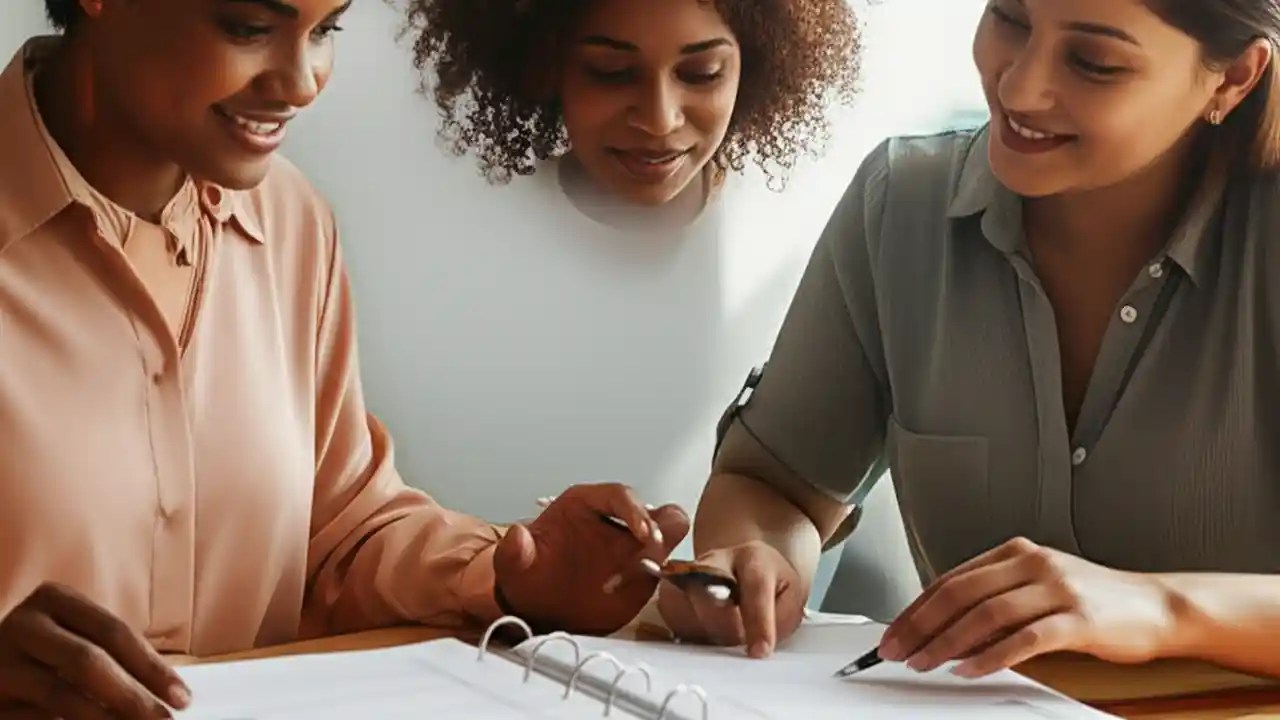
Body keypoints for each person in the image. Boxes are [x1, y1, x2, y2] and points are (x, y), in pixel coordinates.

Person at [0, 0, 689, 716]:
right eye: (249, 27)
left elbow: (341, 532)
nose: (302, 82)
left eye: (326, 30)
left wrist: (512, 577)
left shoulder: (292, 223)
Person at [659, 0, 1280, 682]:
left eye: (1093, 62)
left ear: (1234, 79)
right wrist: (755, 562)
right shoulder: (902, 204)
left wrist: (1160, 608)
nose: (1017, 87)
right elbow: (775, 485)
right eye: (1010, 18)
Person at [403, 0, 860, 216]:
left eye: (702, 72)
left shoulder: (795, 234)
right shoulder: (471, 245)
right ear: (545, 63)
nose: (661, 119)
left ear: (758, 64)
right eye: (611, 71)